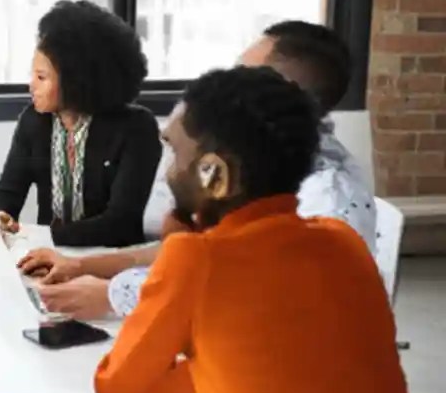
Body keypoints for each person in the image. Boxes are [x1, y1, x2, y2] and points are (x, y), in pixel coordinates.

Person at [93, 66, 428, 393]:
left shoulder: (197, 260)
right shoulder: (343, 242)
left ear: (214, 174)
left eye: (175, 152)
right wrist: (221, 366)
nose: (168, 172)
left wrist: (205, 366)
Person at [22, 20, 377, 319]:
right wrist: (85, 267)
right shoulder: (257, 160)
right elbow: (197, 250)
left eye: (240, 76)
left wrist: (114, 296)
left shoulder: (327, 199)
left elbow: (253, 293)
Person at [0, 0, 159, 247]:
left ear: (76, 80)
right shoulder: (34, 120)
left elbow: (120, 223)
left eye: (41, 77)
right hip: (50, 255)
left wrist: (38, 237)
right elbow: (8, 194)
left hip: (111, 260)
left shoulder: (136, 128)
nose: (31, 86)